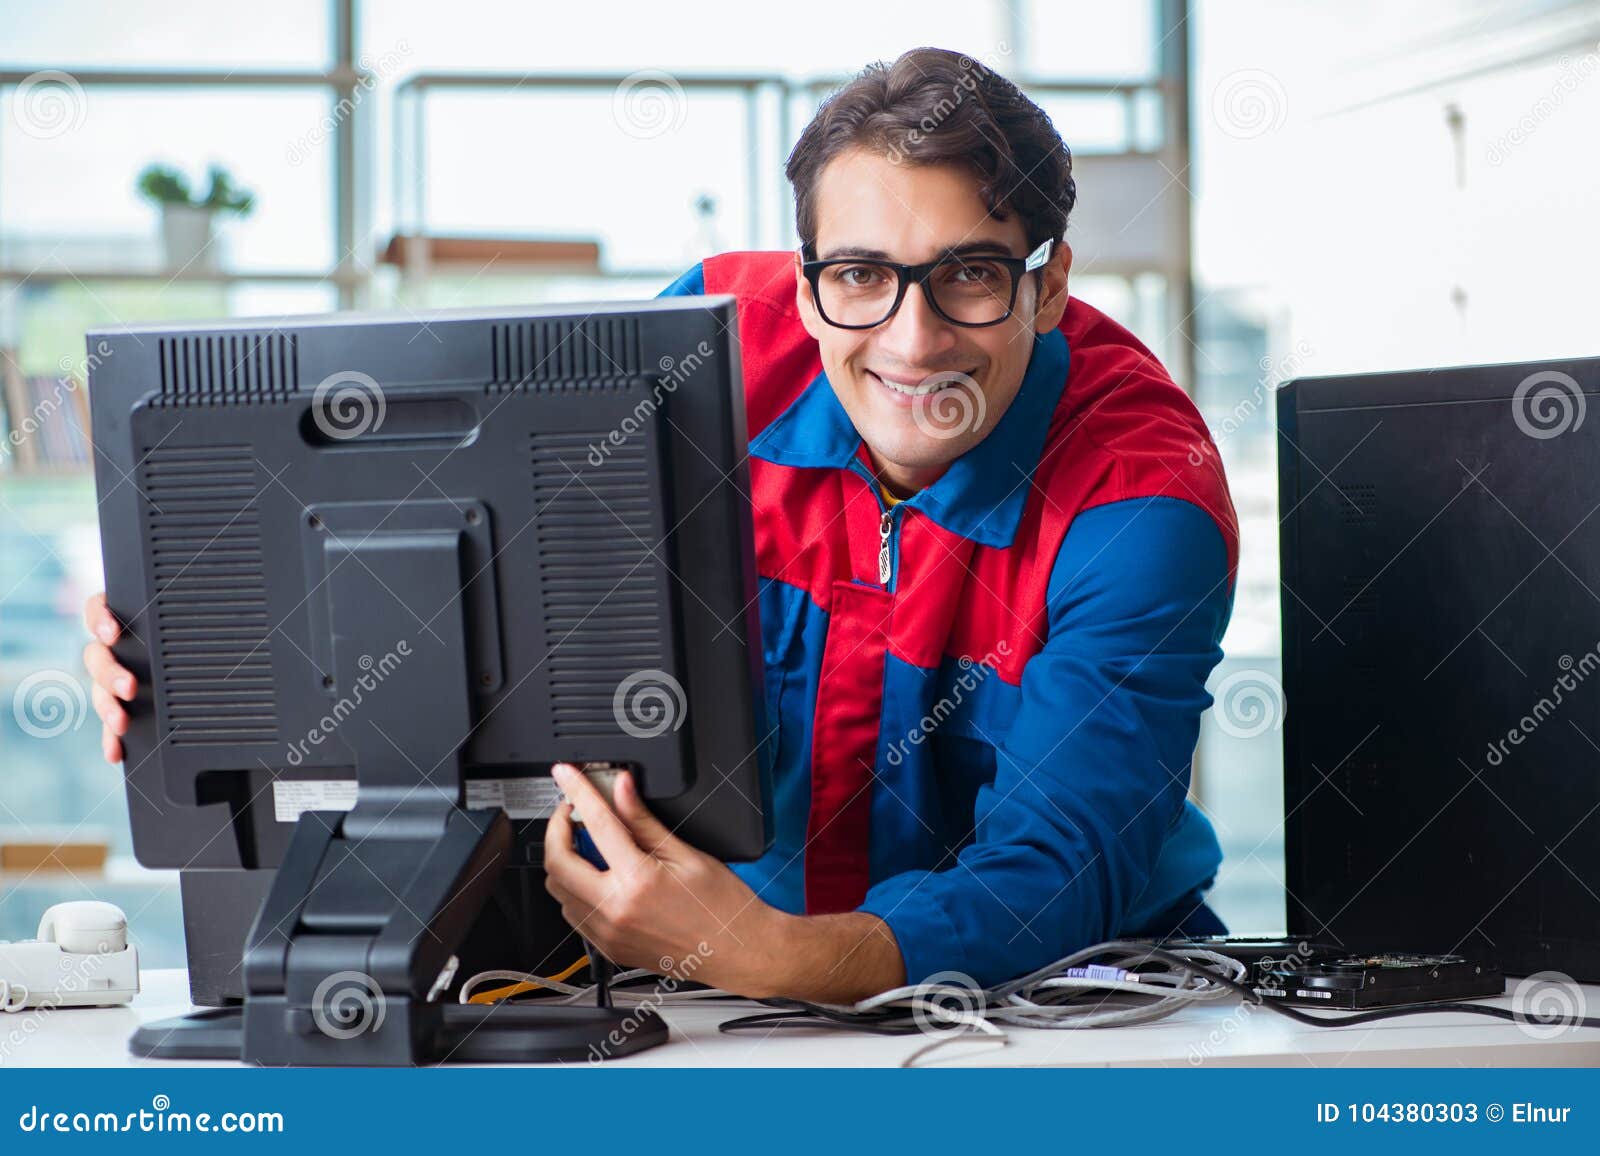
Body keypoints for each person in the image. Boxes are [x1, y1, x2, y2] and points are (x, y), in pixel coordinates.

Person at [84, 47, 1237, 1004]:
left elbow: (1051, 874)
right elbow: (477, 578)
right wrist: (198, 642)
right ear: (801, 282)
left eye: (972, 277)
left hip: (1071, 1006)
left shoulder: (1140, 499)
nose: (912, 337)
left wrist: (768, 953)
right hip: (715, 998)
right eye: (859, 276)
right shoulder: (694, 369)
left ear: (1048, 284)